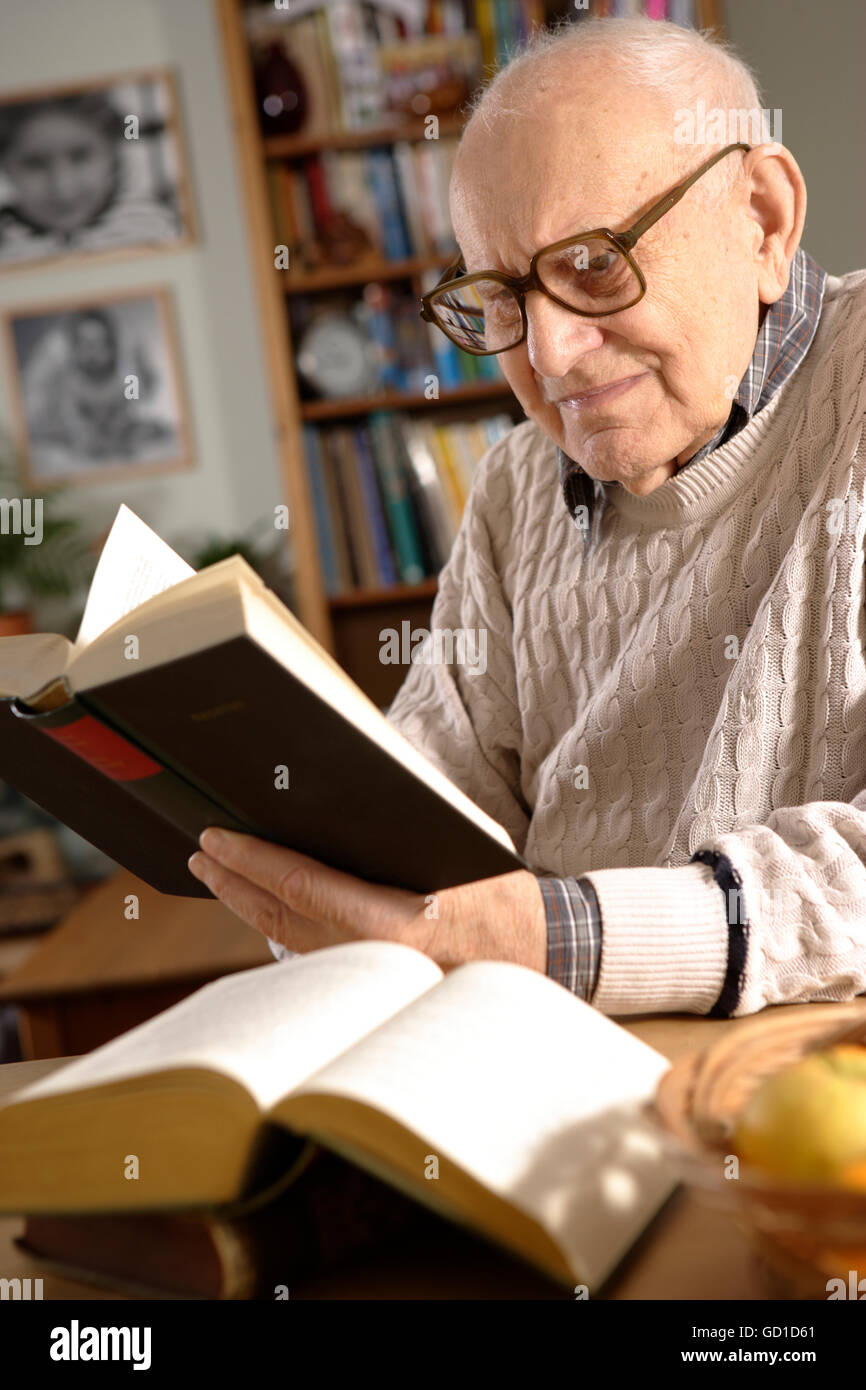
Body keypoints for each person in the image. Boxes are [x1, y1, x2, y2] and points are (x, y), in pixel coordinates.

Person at [187, 17, 866, 1021]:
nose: (547, 353)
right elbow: (425, 808)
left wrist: (553, 939)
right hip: (530, 1068)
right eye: (500, 297)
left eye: (593, 266)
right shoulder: (515, 486)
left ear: (760, 219)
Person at [0, 92, 179, 261]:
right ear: (6, 166)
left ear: (113, 154)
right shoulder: (5, 248)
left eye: (80, 156)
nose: (63, 186)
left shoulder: (156, 233)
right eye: (35, 163)